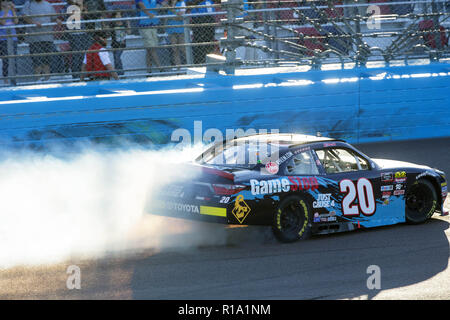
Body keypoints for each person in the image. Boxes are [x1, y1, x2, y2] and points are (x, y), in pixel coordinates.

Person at [22, 0, 62, 80]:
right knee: (37, 61)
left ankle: (47, 79)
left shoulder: (48, 4)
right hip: (34, 38)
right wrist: (33, 22)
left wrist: (57, 20)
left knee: (47, 60)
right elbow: (24, 16)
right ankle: (37, 80)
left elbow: (53, 17)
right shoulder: (28, 4)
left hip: (47, 37)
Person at [135, 0, 161, 73]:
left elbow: (163, 3)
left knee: (149, 49)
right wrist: (148, 13)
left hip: (154, 23)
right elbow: (140, 4)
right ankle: (161, 68)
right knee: (151, 47)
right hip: (144, 24)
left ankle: (148, 70)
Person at [189, 0, 216, 64]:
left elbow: (211, 15)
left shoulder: (207, 2)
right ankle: (199, 63)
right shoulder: (193, 6)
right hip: (196, 23)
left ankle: (209, 62)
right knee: (197, 44)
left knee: (208, 44)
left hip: (206, 22)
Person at [0, 0, 18, 85]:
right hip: (3, 39)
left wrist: (13, 10)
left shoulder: (11, 11)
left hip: (13, 38)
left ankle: (14, 77)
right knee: (6, 59)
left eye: (8, 1)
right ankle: (5, 78)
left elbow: (16, 21)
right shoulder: (1, 12)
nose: (6, 3)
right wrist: (6, 10)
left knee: (14, 58)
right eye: (4, 1)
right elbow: (2, 22)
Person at [165, 0, 186, 66]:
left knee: (183, 48)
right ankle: (178, 67)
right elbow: (167, 18)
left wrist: (171, 9)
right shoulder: (167, 4)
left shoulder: (182, 3)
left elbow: (180, 18)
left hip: (180, 29)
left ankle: (190, 64)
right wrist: (174, 14)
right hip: (171, 29)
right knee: (174, 49)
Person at [110, 10, 131, 75]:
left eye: (120, 15)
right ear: (114, 16)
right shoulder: (112, 24)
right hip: (114, 44)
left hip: (121, 44)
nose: (119, 16)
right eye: (117, 15)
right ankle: (117, 73)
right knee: (115, 59)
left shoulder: (124, 23)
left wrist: (128, 24)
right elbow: (109, 33)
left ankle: (121, 73)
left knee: (117, 57)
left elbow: (129, 32)